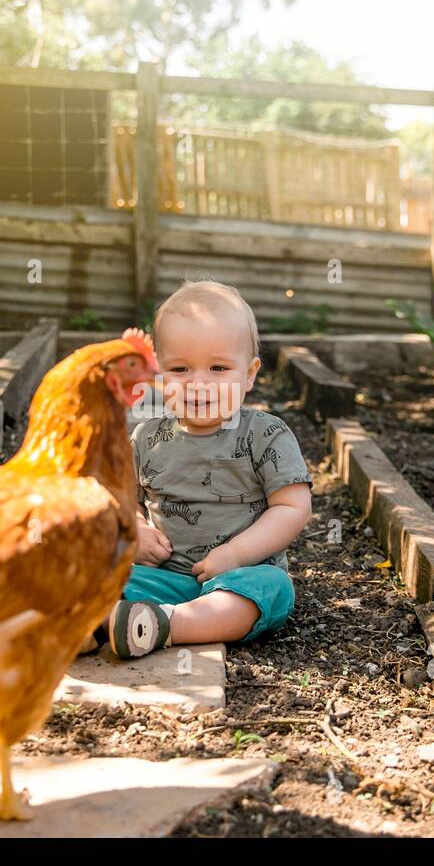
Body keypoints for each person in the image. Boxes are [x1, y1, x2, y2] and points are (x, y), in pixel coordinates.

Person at [100, 279, 313, 659]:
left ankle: (164, 625)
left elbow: (293, 508)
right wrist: (136, 530)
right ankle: (103, 622)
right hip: (164, 578)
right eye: (180, 369)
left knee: (271, 590)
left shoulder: (265, 435)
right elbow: (120, 500)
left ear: (248, 374)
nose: (198, 384)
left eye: (218, 368)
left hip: (240, 578)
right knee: (101, 575)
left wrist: (235, 554)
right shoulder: (146, 437)